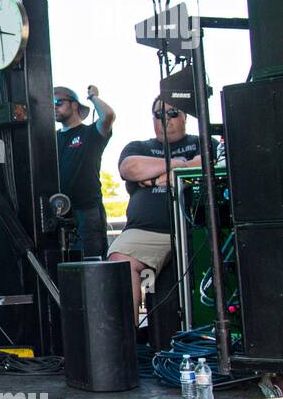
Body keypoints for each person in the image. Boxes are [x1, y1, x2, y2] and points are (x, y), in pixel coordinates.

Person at [108, 97, 209, 315]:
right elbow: (129, 168)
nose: (166, 119)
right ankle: (128, 341)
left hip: (196, 229)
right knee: (119, 258)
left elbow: (207, 161)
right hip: (147, 231)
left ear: (185, 117)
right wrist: (177, 166)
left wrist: (153, 176)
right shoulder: (140, 146)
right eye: (159, 114)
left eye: (173, 113)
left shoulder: (201, 142)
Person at [54, 84, 116, 257]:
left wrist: (93, 97)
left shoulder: (90, 133)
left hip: (88, 212)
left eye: (58, 102)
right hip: (60, 212)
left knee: (92, 264)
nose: (54, 107)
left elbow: (108, 116)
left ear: (74, 105)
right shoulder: (52, 138)